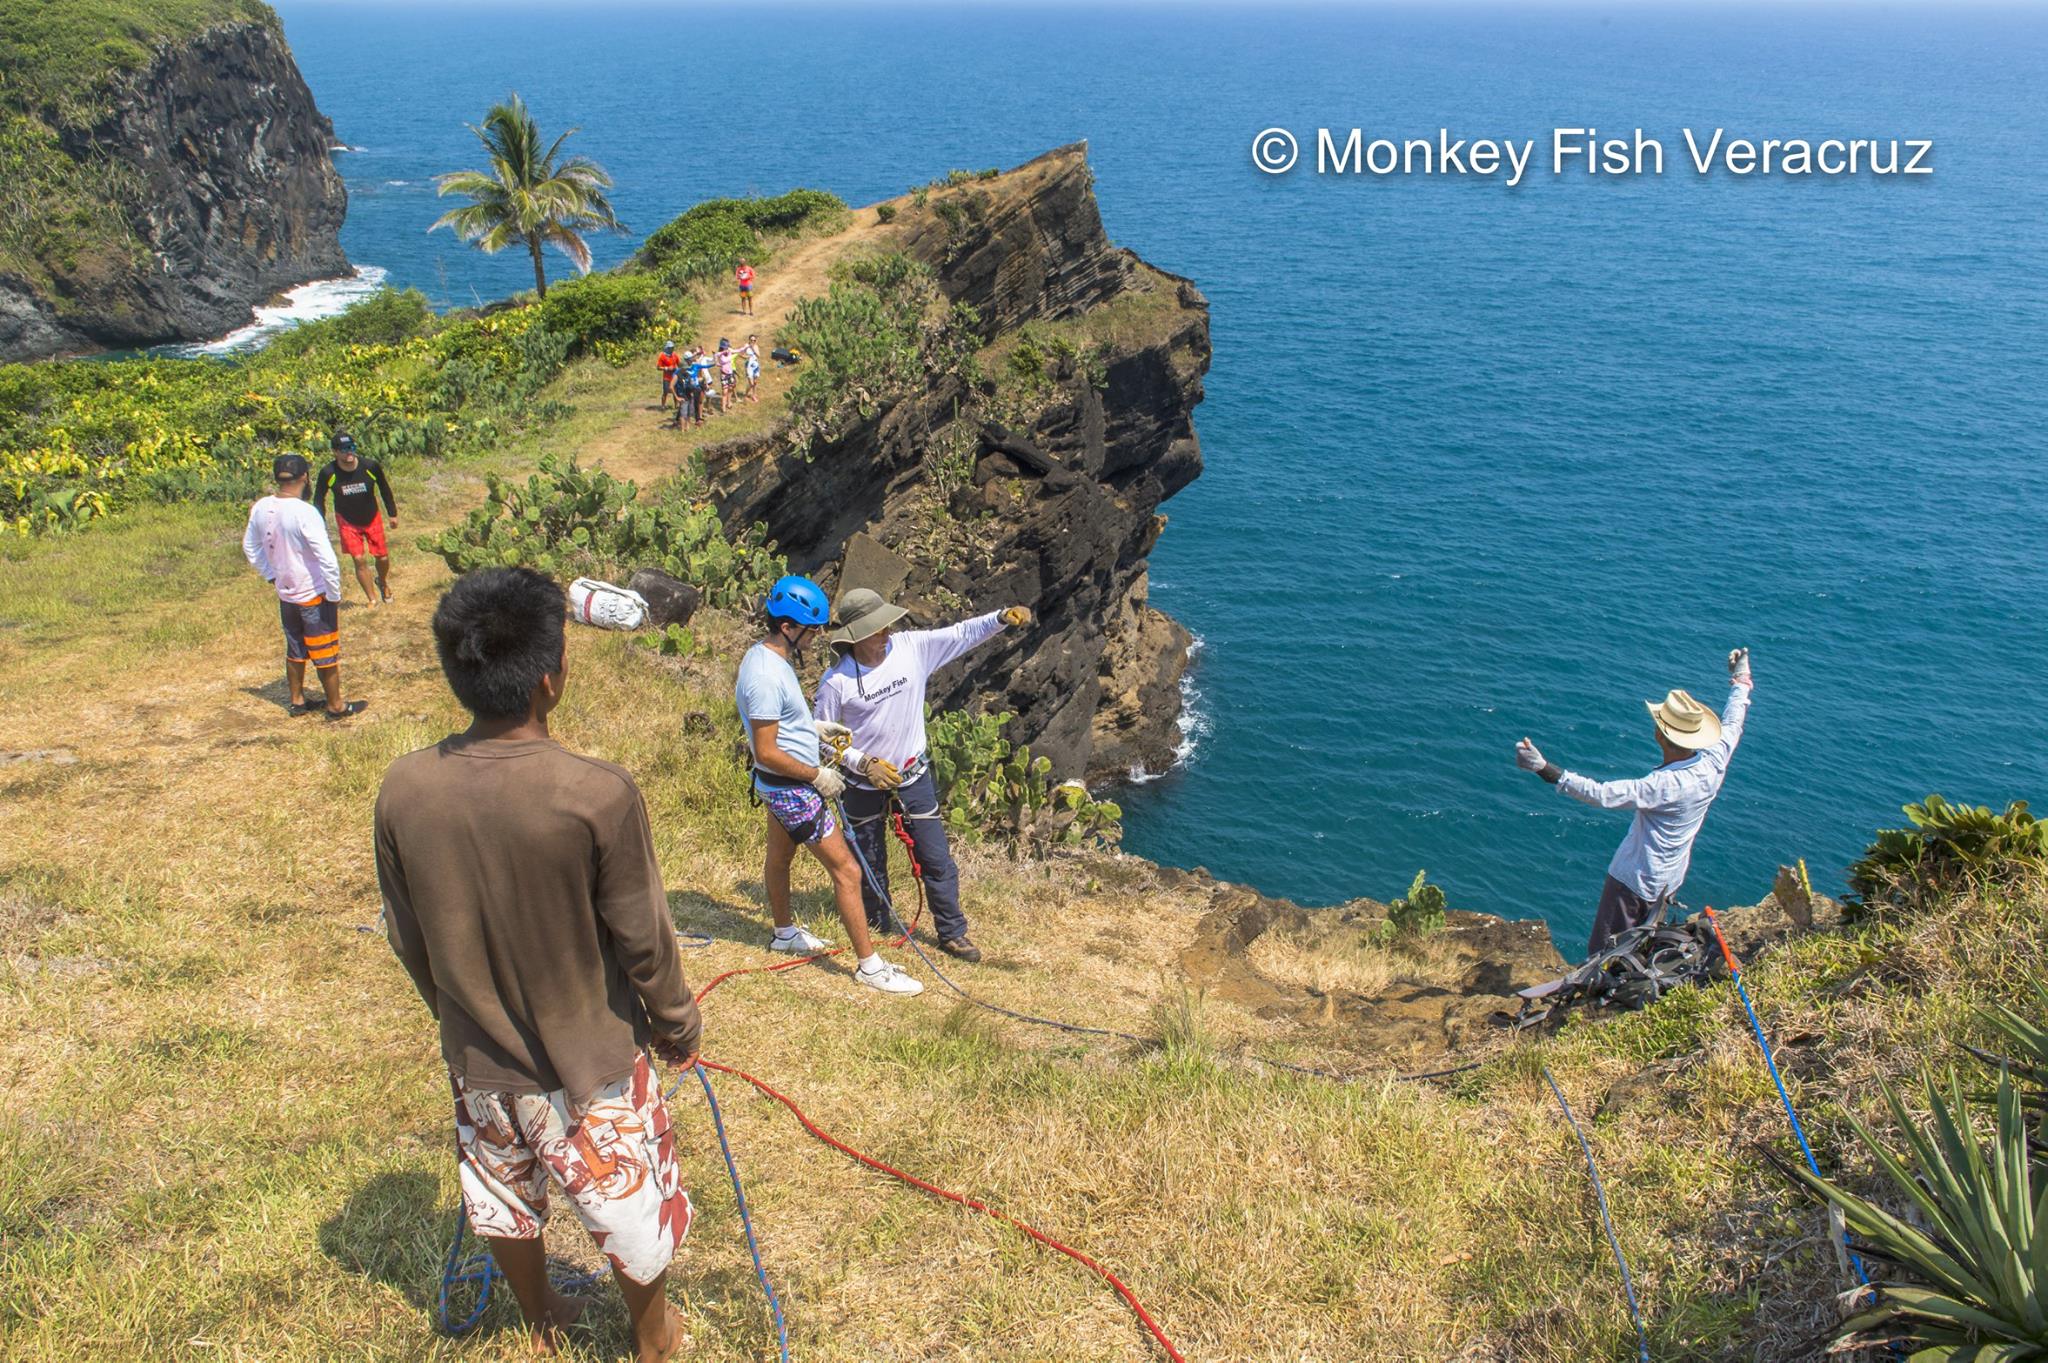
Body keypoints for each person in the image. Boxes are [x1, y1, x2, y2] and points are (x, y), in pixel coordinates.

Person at [376, 567, 699, 1363]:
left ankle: (538, 1312)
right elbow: (644, 938)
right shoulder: (596, 794)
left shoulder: (403, 788)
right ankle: (652, 1333)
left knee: (501, 1196)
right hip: (589, 1065)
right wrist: (676, 1021)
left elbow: (408, 934)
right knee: (628, 1206)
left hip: (478, 1061)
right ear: (552, 679)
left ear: (458, 674)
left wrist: (454, 1010)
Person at [813, 588, 1032, 962]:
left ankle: (952, 932)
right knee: (868, 859)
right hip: (863, 785)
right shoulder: (837, 682)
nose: (887, 633)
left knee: (936, 858)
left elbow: (961, 634)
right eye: (877, 628)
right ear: (856, 636)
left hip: (913, 777)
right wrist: (864, 763)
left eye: (887, 625)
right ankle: (878, 924)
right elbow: (820, 738)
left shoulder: (911, 647)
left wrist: (1000, 617)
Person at [735, 575, 923, 996]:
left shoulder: (768, 659)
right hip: (791, 789)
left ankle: (783, 932)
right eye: (811, 630)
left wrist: (814, 729)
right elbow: (766, 750)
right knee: (847, 869)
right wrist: (817, 775)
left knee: (779, 858)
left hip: (778, 785)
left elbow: (780, 727)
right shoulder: (765, 676)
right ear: (788, 628)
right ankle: (870, 966)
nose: (816, 638)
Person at [1516, 648, 1754, 958]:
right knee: (1642, 944)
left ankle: (1596, 1000)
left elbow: (1601, 794)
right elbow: (1734, 720)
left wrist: (1544, 769)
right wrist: (1741, 679)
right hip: (1669, 879)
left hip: (1634, 880)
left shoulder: (1664, 785)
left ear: (1660, 734)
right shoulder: (1714, 759)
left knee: (1604, 954)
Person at [242, 454, 365, 719]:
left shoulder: (262, 507)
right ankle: (335, 705)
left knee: (295, 648)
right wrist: (333, 594)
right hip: (312, 593)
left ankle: (297, 701)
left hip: (286, 594)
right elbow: (327, 559)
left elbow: (250, 547)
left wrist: (271, 575)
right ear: (305, 479)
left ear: (277, 478)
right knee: (325, 651)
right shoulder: (305, 512)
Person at [312, 431, 398, 606]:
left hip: (372, 516)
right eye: (343, 450)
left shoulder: (370, 466)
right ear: (335, 452)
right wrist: (318, 524)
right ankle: (372, 599)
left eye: (351, 448)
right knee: (358, 558)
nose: (348, 453)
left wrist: (392, 513)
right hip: (347, 520)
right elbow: (318, 498)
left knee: (382, 557)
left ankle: (382, 582)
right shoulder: (328, 472)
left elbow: (384, 489)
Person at [657, 341, 680, 410]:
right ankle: (663, 406)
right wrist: (666, 368)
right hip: (666, 377)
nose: (672, 349)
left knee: (675, 391)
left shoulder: (674, 355)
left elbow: (679, 364)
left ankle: (676, 405)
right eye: (670, 348)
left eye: (672, 347)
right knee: (665, 391)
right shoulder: (662, 356)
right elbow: (658, 367)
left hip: (674, 376)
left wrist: (677, 369)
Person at [740, 335, 762, 403]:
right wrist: (746, 357)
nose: (753, 341)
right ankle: (746, 395)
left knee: (755, 382)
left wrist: (753, 349)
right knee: (751, 383)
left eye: (754, 340)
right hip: (749, 365)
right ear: (749, 340)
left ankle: (753, 395)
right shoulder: (746, 346)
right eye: (751, 340)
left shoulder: (756, 346)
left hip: (755, 365)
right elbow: (741, 354)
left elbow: (758, 356)